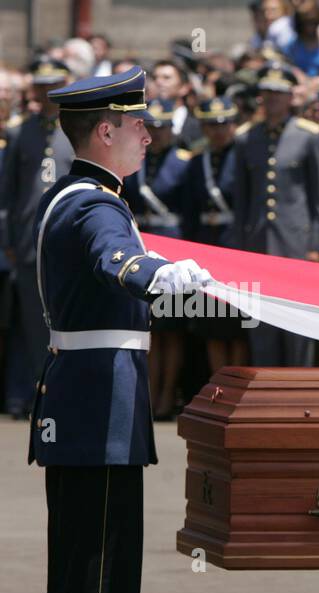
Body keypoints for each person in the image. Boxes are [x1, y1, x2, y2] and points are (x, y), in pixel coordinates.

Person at [33, 67, 212, 593]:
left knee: (82, 583)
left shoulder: (85, 197)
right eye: (137, 123)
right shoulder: (91, 205)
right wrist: (156, 276)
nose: (147, 132)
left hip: (86, 415)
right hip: (97, 420)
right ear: (103, 131)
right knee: (100, 590)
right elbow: (118, 259)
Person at [229, 62, 319, 366]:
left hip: (297, 245)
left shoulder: (308, 136)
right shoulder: (246, 138)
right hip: (258, 243)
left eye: (279, 93)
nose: (272, 99)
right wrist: (239, 245)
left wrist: (317, 245)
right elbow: (242, 201)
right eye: (267, 93)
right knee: (260, 323)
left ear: (291, 98)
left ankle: (300, 394)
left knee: (298, 324)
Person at [0, 58, 75, 420]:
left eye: (53, 86)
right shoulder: (19, 132)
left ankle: (66, 397)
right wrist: (8, 241)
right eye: (41, 87)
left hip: (67, 244)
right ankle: (40, 395)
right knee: (33, 327)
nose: (47, 94)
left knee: (67, 324)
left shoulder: (76, 129)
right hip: (29, 244)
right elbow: (7, 195)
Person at [124, 99, 192, 418]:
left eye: (163, 127)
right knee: (149, 327)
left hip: (174, 248)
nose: (157, 133)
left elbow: (190, 211)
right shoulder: (136, 161)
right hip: (144, 246)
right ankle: (148, 395)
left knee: (172, 328)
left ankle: (167, 395)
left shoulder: (183, 161)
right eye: (152, 127)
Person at [180, 96, 248, 374]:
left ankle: (238, 385)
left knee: (238, 322)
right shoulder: (196, 162)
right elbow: (189, 209)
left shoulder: (243, 158)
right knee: (211, 321)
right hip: (206, 244)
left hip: (236, 246)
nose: (218, 131)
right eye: (211, 125)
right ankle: (218, 382)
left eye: (224, 124)